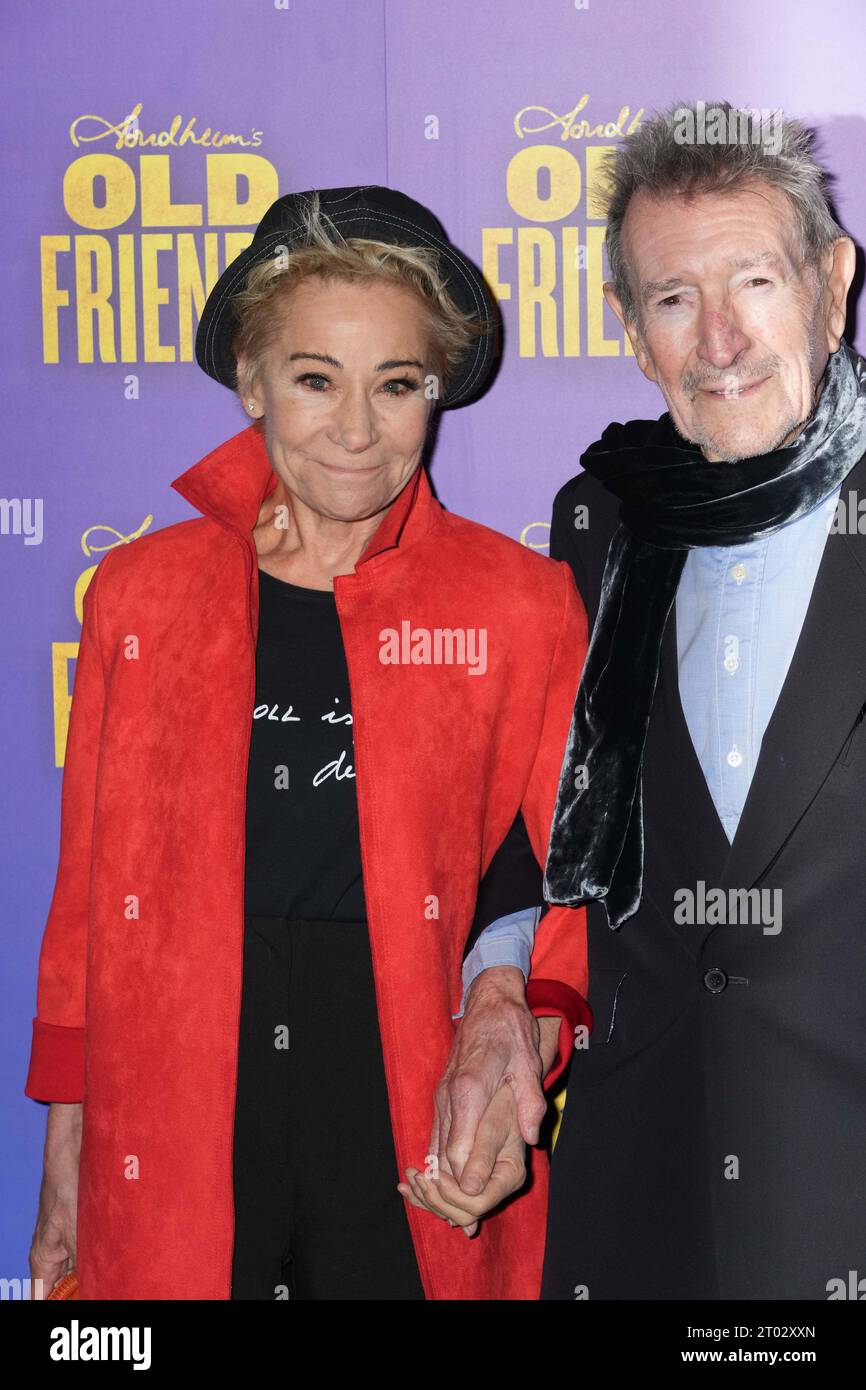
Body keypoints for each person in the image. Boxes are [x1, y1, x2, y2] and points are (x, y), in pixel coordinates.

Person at [25, 185, 591, 1301]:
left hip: (405, 1080)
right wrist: (67, 1148)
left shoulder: (521, 604)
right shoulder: (139, 596)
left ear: (434, 393)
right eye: (313, 379)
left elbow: (565, 875)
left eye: (395, 385)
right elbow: (89, 904)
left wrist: (512, 1035)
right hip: (178, 1095)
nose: (353, 428)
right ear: (251, 381)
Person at [427, 104, 866, 1301]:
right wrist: (501, 991)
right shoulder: (597, 519)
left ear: (831, 286)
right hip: (640, 1196)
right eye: (672, 299)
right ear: (629, 331)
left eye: (754, 282)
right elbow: (541, 809)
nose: (717, 338)